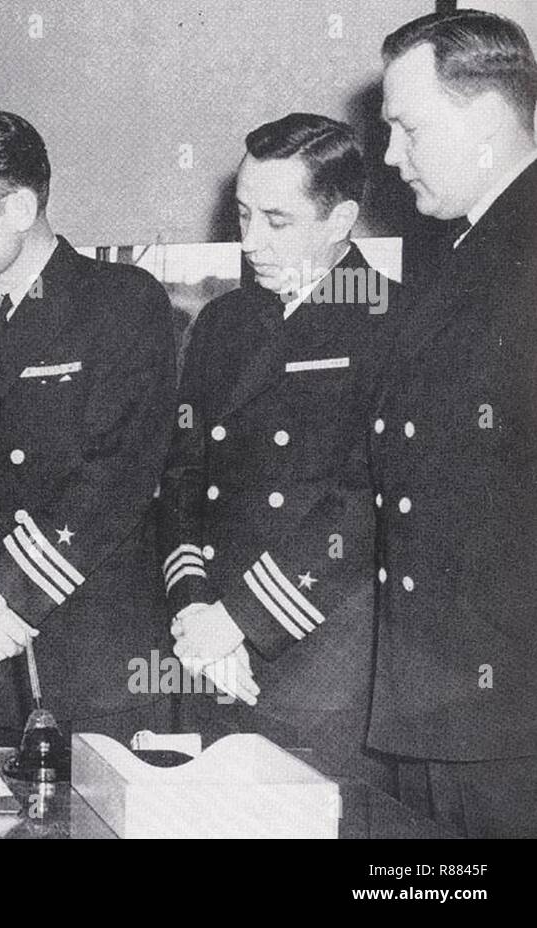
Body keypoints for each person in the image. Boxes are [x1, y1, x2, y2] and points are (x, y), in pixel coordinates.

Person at [0, 106, 177, 747]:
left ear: (20, 208)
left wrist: (5, 590)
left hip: (91, 664)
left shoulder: (121, 301)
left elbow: (117, 478)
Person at [158, 113, 398, 792]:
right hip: (209, 648)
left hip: (321, 663)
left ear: (340, 219)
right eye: (241, 216)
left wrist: (241, 619)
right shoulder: (222, 324)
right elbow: (181, 476)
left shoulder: (393, 321)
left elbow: (364, 505)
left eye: (277, 220)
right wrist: (196, 604)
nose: (251, 242)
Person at [371, 8, 537, 837]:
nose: (392, 157)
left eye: (407, 128)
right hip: (440, 698)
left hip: (511, 710)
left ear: (483, 116)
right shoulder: (461, 252)